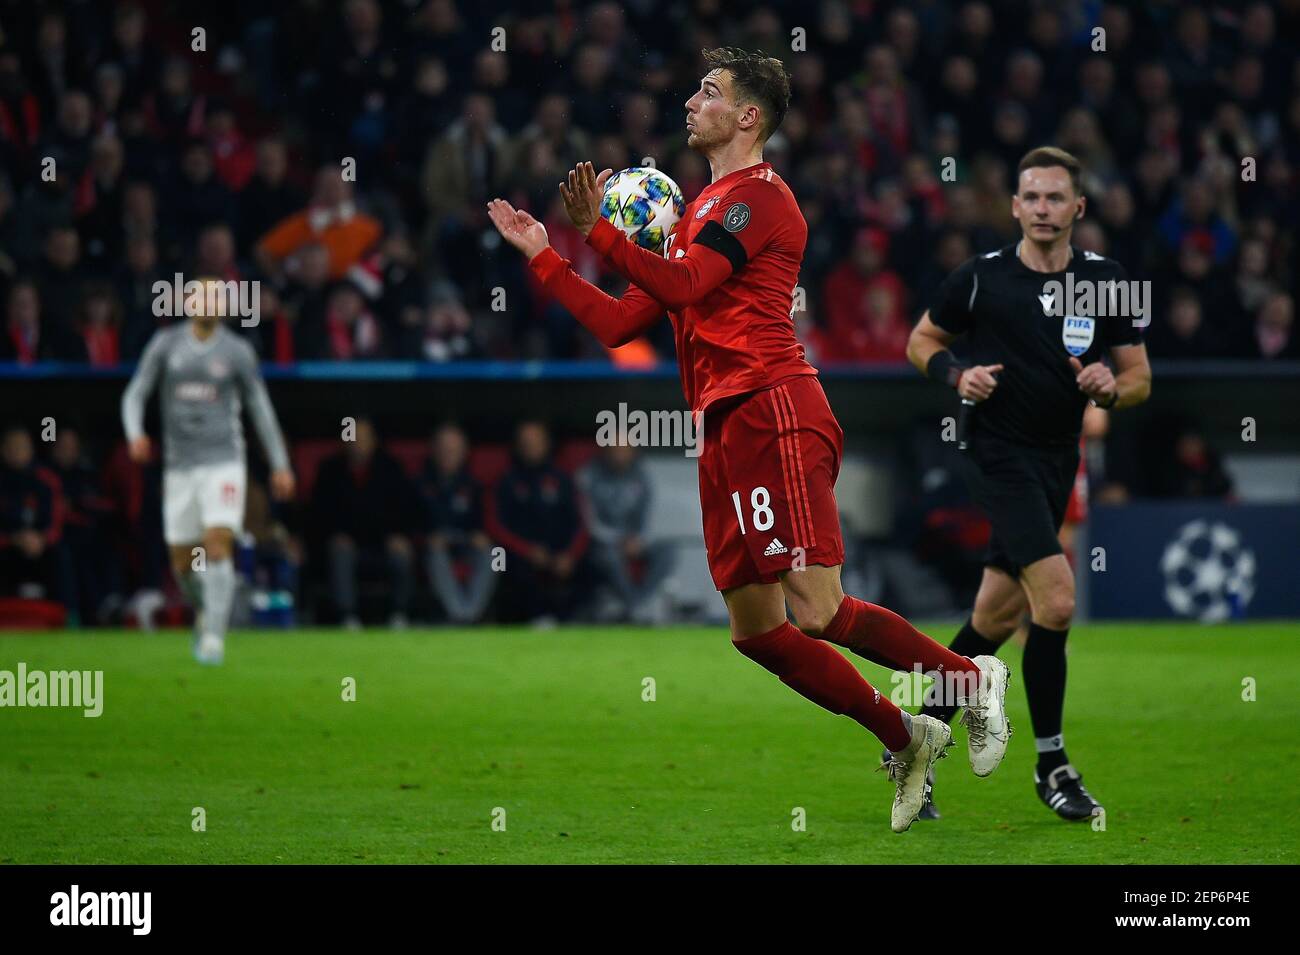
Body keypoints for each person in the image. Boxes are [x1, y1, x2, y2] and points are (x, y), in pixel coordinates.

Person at [487, 47, 1010, 832]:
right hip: (725, 427)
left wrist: (601, 236)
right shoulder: (694, 210)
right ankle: (906, 733)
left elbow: (689, 284)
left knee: (818, 609)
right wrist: (546, 258)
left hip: (775, 408)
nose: (690, 102)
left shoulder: (761, 199)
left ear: (748, 117)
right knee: (757, 631)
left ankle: (971, 679)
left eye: (709, 91)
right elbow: (627, 318)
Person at [906, 146, 1152, 820]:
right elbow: (920, 341)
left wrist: (1111, 385)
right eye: (1032, 198)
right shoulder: (980, 278)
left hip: (1057, 458)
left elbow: (1139, 379)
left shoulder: (1107, 280)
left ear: (1078, 207)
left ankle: (915, 742)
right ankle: (1052, 764)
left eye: (1055, 198)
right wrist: (959, 376)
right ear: (1015, 206)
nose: (1043, 209)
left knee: (992, 617)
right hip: (996, 454)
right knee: (1060, 600)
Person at [121, 277, 295, 663]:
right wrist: (135, 433)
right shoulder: (166, 346)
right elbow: (136, 392)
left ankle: (214, 636)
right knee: (184, 564)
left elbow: (260, 409)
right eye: (202, 296)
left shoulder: (237, 351)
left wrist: (280, 464)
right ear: (186, 302)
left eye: (218, 298)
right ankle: (208, 608)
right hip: (180, 469)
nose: (209, 304)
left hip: (224, 462)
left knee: (217, 543)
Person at [309, 417, 417, 630]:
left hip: (382, 543)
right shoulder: (330, 471)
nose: (357, 443)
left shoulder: (391, 468)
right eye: (352, 436)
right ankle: (348, 616)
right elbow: (317, 516)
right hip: (345, 544)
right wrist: (336, 534)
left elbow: (405, 511)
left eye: (363, 438)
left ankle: (400, 614)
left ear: (374, 441)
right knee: (340, 550)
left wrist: (396, 535)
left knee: (402, 552)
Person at [485, 420, 588, 626]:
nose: (530, 447)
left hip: (559, 554)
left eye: (535, 442)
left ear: (546, 443)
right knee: (499, 560)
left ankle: (577, 619)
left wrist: (569, 555)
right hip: (516, 554)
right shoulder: (505, 480)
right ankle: (530, 617)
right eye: (525, 442)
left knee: (593, 564)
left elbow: (582, 525)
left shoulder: (563, 479)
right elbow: (494, 526)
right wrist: (527, 551)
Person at [577, 442, 676, 623]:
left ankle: (640, 602)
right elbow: (589, 522)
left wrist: (639, 540)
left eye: (624, 450)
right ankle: (633, 605)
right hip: (603, 543)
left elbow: (649, 516)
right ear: (605, 451)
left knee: (668, 550)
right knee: (609, 556)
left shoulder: (642, 476)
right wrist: (619, 540)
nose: (619, 455)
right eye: (614, 450)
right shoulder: (589, 476)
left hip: (635, 541)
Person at [417, 422, 496, 624]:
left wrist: (480, 536)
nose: (448, 454)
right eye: (444, 449)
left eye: (453, 450)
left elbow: (485, 523)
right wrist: (426, 538)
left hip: (465, 544)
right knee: (435, 553)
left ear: (464, 452)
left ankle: (469, 613)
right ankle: (461, 615)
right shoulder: (419, 484)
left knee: (495, 555)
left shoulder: (473, 486)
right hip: (432, 548)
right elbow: (409, 525)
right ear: (434, 450)